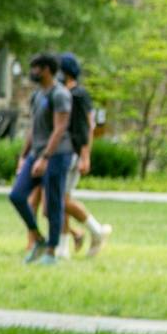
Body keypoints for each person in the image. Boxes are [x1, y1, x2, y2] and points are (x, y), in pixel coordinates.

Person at [10, 53, 72, 264]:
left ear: (47, 69)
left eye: (36, 68)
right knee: (17, 195)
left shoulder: (60, 94)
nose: (33, 72)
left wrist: (46, 157)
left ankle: (51, 251)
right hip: (35, 154)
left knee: (53, 203)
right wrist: (24, 155)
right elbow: (32, 127)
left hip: (56, 155)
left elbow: (60, 127)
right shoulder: (37, 95)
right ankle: (37, 238)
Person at [51, 54, 112, 257]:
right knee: (60, 200)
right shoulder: (62, 94)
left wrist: (86, 155)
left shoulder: (79, 95)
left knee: (62, 200)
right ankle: (62, 247)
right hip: (61, 152)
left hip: (75, 152)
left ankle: (96, 231)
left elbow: (87, 127)